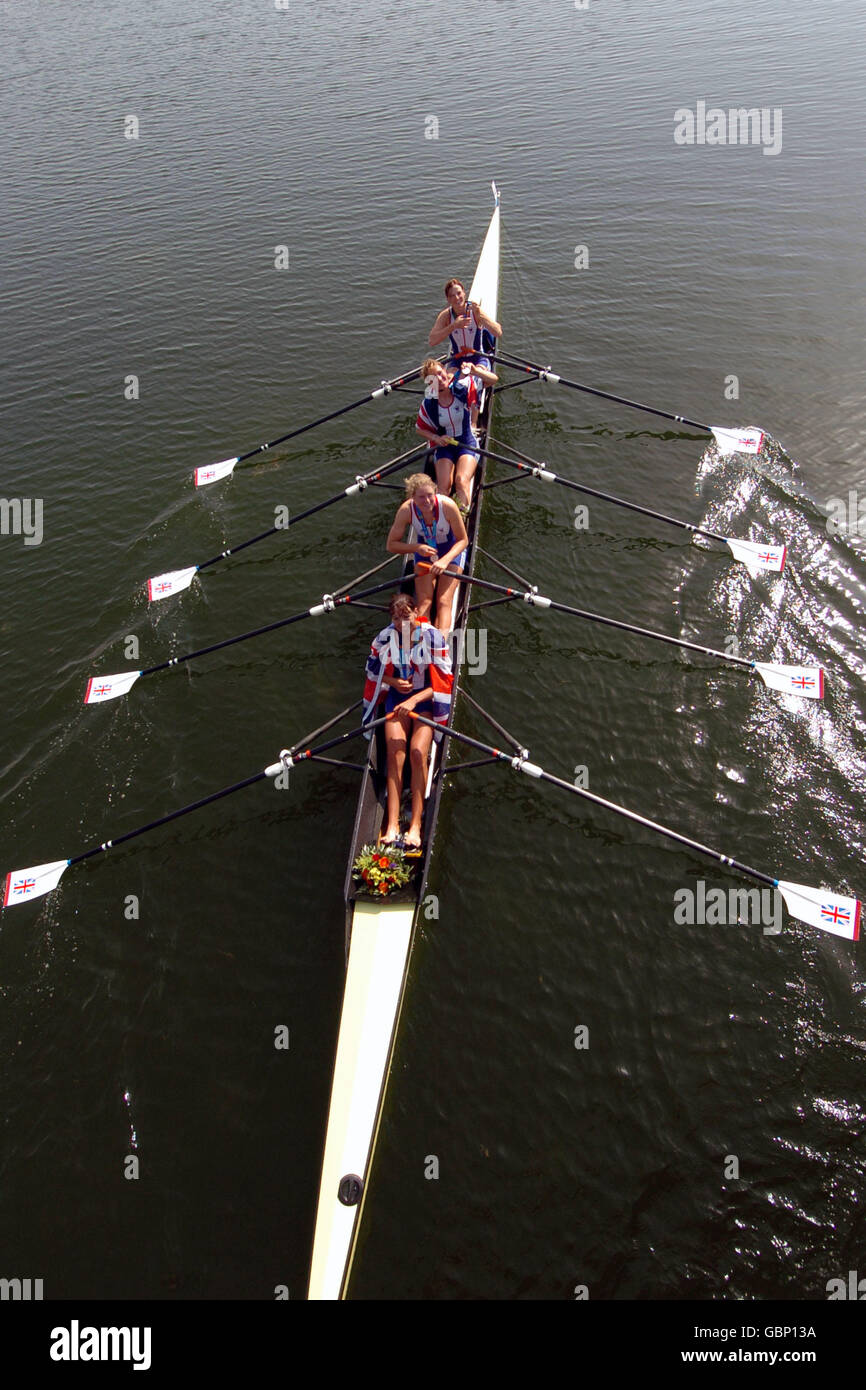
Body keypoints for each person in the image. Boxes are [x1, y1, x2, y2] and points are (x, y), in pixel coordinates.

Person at [362, 592, 453, 850]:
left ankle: (415, 825)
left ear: (416, 613)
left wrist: (413, 700)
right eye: (396, 618)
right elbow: (372, 670)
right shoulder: (384, 638)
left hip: (424, 700)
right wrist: (392, 682)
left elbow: (444, 682)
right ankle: (391, 825)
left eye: (407, 617)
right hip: (395, 699)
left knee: (416, 752)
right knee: (395, 753)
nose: (402, 623)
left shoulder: (432, 636)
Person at [386, 472, 468, 633]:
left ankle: (440, 646)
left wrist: (445, 561)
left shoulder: (448, 506)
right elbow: (391, 545)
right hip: (424, 554)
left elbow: (463, 540)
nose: (427, 501)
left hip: (451, 552)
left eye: (430, 495)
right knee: (424, 602)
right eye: (421, 497)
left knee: (444, 601)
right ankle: (423, 642)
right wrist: (416, 548)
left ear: (435, 492)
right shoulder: (406, 510)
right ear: (412, 497)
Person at [415, 356, 497, 512]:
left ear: (445, 371)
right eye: (434, 378)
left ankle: (461, 516)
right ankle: (440, 518)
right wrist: (436, 438)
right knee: (444, 486)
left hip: (466, 442)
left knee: (461, 480)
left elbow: (493, 379)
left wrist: (475, 371)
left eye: (440, 373)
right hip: (445, 446)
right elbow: (419, 428)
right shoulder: (428, 403)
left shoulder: (463, 386)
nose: (440, 378)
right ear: (429, 383)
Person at [428, 277, 503, 380]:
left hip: (478, 358)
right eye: (452, 296)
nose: (457, 298)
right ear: (448, 299)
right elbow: (432, 341)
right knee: (447, 384)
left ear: (464, 293)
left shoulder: (475, 310)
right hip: (457, 360)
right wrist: (453, 326)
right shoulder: (445, 316)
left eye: (459, 293)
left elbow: (498, 332)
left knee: (474, 381)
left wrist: (481, 316)